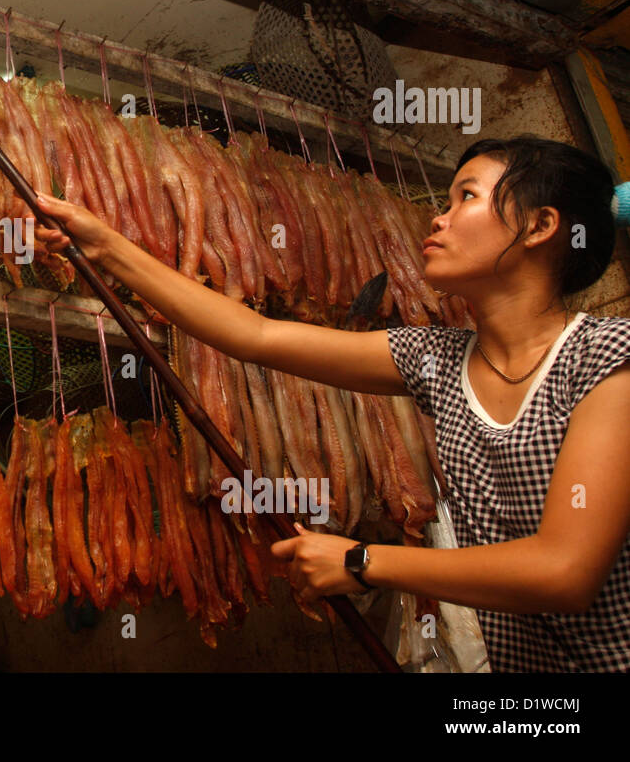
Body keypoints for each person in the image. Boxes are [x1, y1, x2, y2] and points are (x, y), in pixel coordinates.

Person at [34, 134, 630, 672]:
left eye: (464, 198)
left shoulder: (608, 358)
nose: (437, 219)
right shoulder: (440, 360)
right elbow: (255, 336)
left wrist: (362, 561)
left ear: (540, 225)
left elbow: (564, 572)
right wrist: (107, 247)